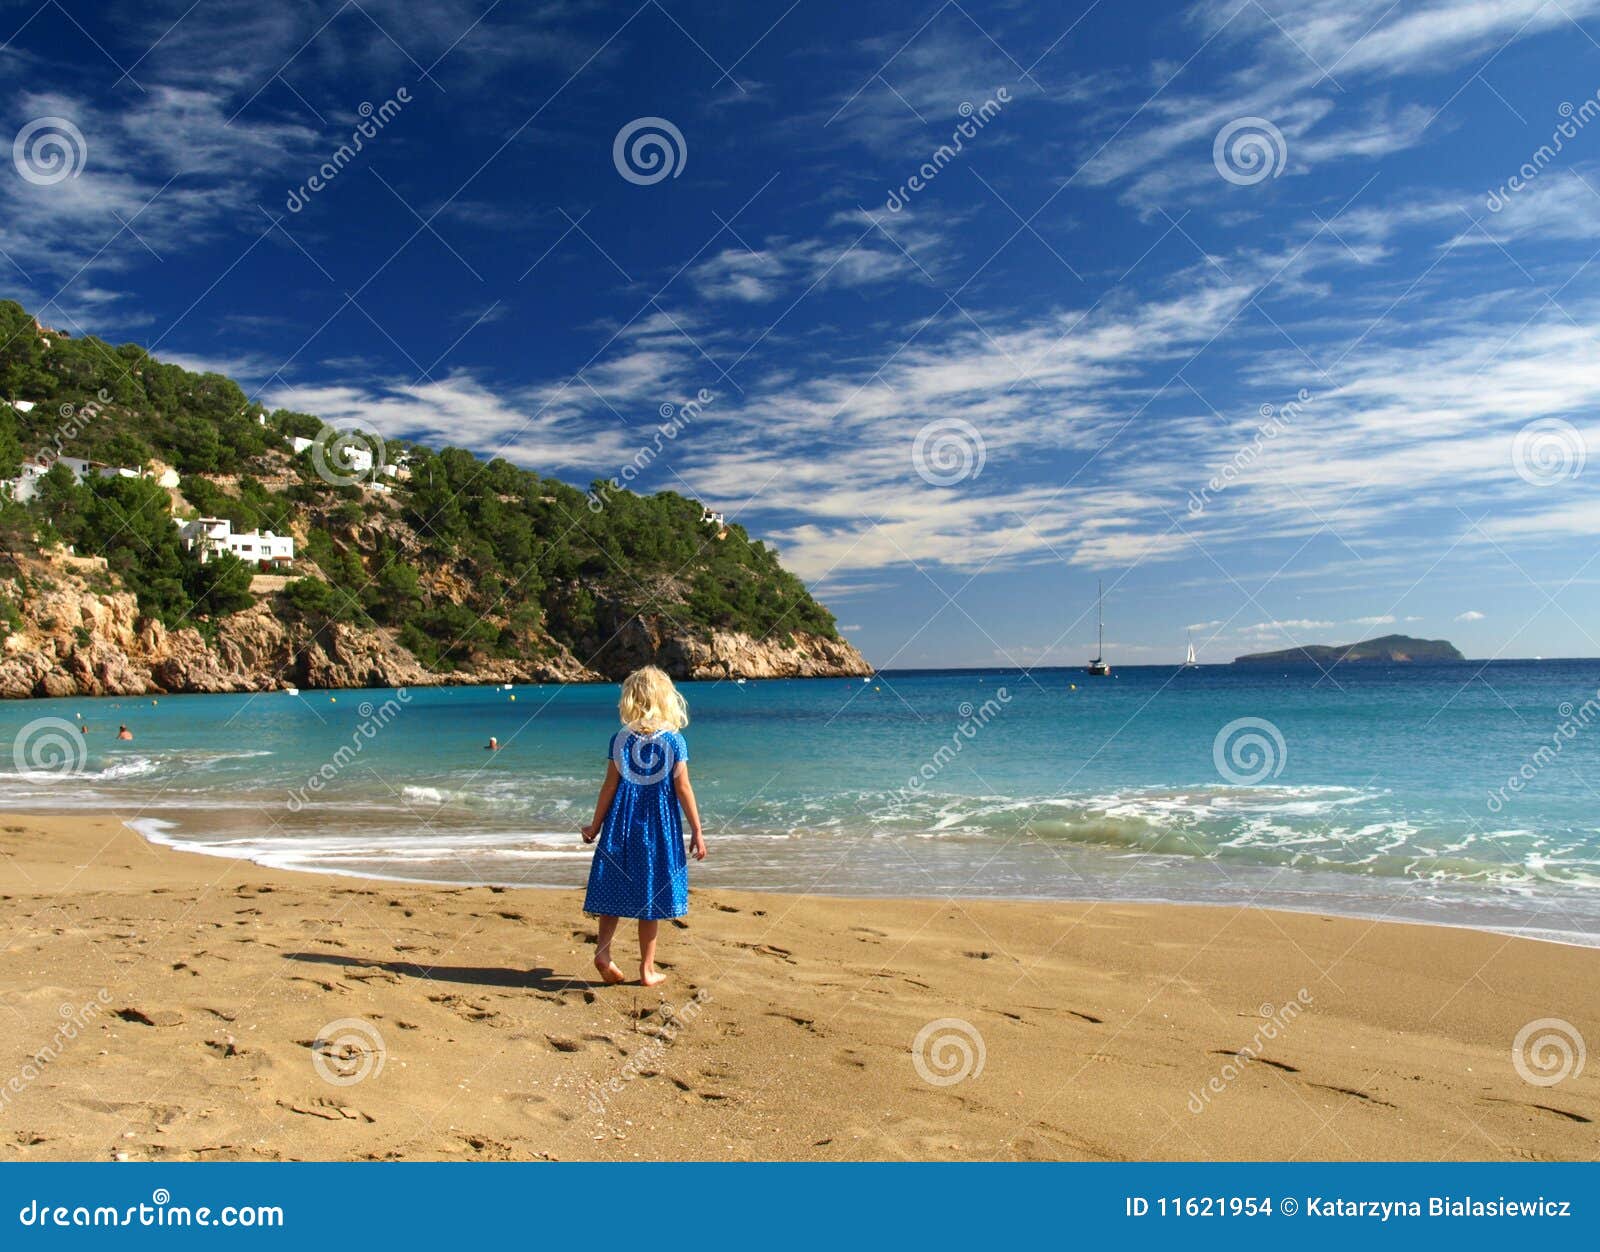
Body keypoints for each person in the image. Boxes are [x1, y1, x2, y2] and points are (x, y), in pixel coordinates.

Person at [580, 666, 705, 987]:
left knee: (614, 888)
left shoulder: (620, 739)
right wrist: (697, 831)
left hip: (620, 824)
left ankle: (604, 953)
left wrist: (595, 826)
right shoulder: (675, 741)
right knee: (651, 896)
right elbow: (683, 788)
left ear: (631, 700)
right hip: (658, 828)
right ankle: (647, 970)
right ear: (666, 699)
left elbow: (609, 786)